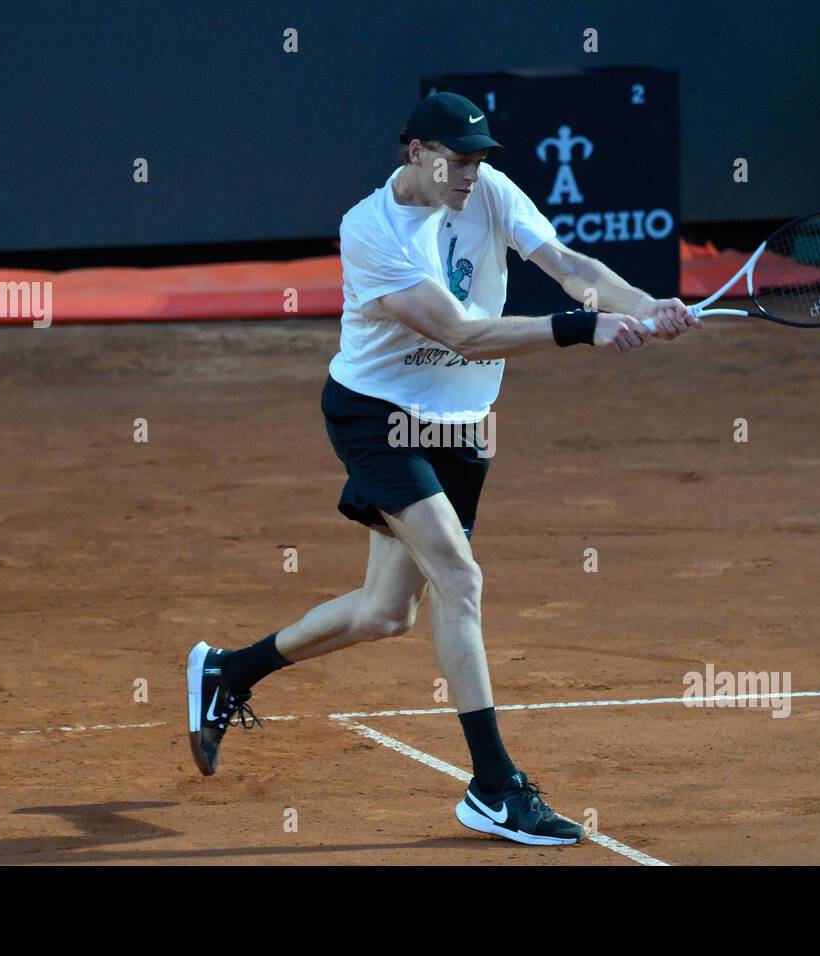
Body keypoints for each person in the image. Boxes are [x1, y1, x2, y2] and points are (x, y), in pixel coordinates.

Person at [186, 92, 697, 846]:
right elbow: (460, 333)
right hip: (380, 419)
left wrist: (645, 303)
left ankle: (229, 674)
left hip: (463, 428)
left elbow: (564, 264)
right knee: (460, 577)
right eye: (459, 159)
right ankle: (494, 787)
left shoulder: (488, 192)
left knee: (384, 612)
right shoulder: (370, 229)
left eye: (479, 158)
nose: (471, 173)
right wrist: (586, 328)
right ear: (417, 154)